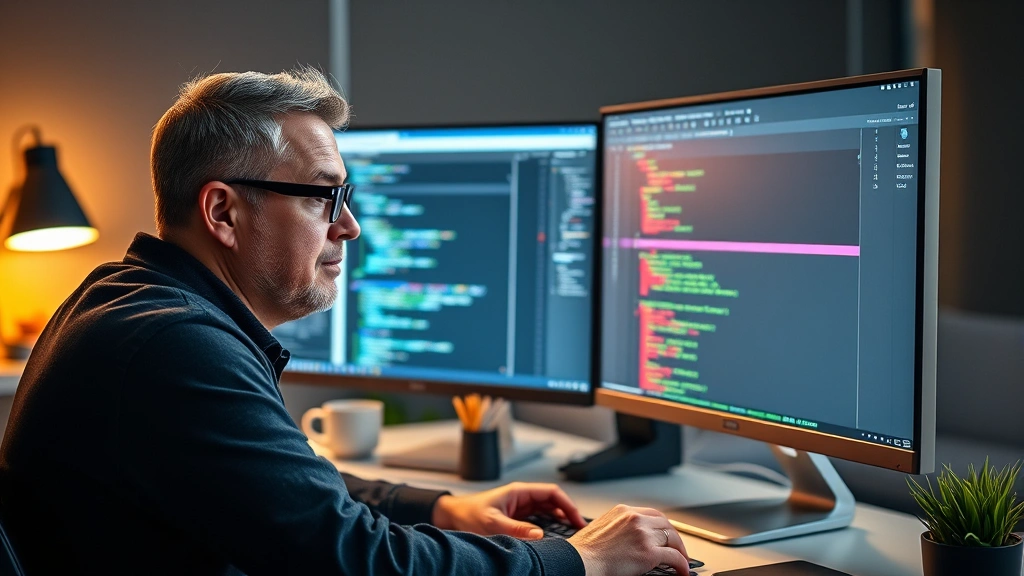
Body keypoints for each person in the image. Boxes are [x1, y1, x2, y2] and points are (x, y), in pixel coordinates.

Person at [0, 67, 690, 576]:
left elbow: (277, 487)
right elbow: (355, 563)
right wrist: (583, 561)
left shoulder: (132, 300)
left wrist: (439, 509)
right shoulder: (173, 346)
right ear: (223, 213)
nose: (351, 227)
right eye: (323, 197)